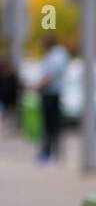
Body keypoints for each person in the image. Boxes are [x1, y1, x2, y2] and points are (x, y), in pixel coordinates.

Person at [35, 35, 69, 164]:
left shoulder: (56, 56)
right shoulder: (59, 54)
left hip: (51, 94)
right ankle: (52, 152)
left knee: (50, 126)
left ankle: (48, 153)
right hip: (53, 94)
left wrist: (37, 86)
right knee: (52, 126)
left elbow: (50, 76)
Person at [0, 55, 17, 134]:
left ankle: (11, 129)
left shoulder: (12, 74)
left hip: (12, 98)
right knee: (4, 114)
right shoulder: (1, 74)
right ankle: (4, 128)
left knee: (11, 114)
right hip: (3, 98)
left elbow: (16, 86)